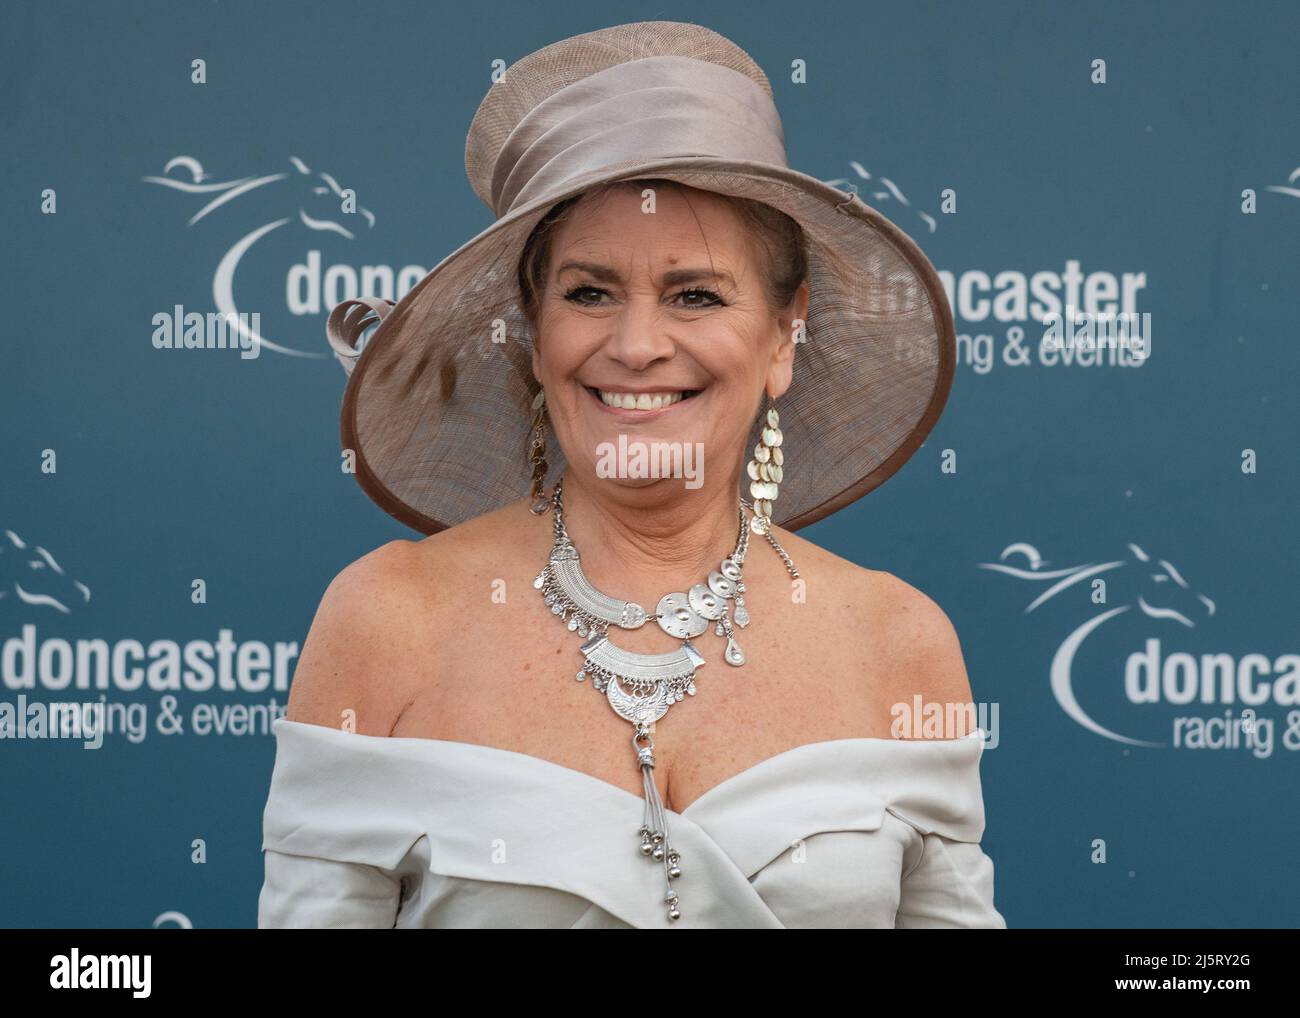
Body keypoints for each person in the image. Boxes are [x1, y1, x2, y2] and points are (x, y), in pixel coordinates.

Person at [257, 19, 1006, 929]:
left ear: (785, 334)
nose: (638, 345)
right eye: (589, 292)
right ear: (535, 334)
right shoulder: (388, 620)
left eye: (696, 294)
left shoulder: (900, 642)